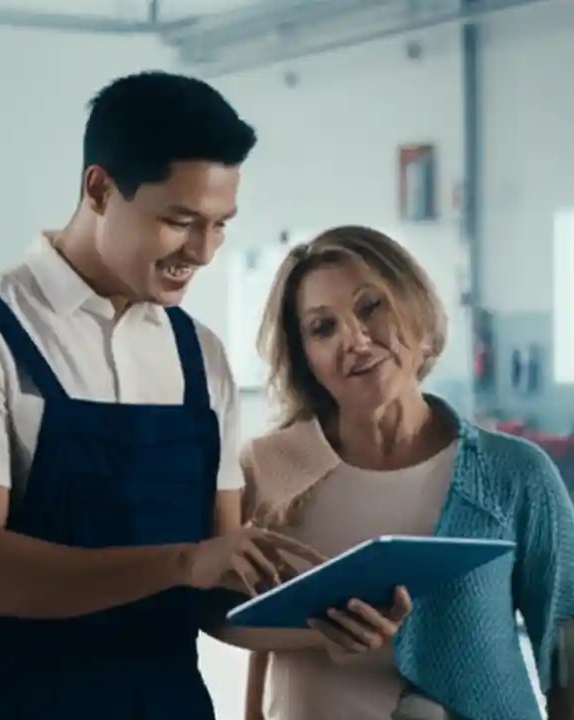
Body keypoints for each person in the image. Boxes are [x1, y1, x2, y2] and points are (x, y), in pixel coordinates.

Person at [0, 70, 325, 719]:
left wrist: (321, 619)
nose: (203, 251)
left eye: (219, 225)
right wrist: (183, 563)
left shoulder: (200, 356)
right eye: (179, 221)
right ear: (99, 188)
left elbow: (216, 589)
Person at [233, 225, 574, 720]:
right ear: (305, 359)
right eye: (323, 328)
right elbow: (236, 619)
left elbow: (566, 640)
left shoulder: (515, 474)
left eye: (371, 306)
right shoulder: (269, 468)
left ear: (418, 314)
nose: (354, 339)